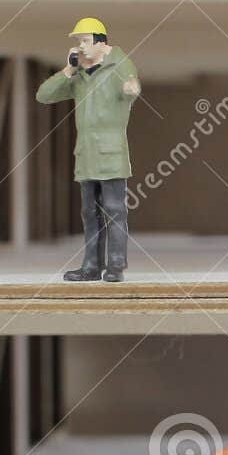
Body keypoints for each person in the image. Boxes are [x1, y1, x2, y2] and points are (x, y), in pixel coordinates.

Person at [34, 16, 142, 283]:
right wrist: (68, 70)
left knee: (115, 210)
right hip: (86, 155)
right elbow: (44, 95)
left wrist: (131, 89)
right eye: (78, 43)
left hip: (111, 154)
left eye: (84, 41)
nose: (81, 47)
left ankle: (116, 264)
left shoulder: (120, 65)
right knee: (89, 214)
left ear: (101, 42)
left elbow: (130, 88)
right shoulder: (80, 75)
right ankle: (91, 265)